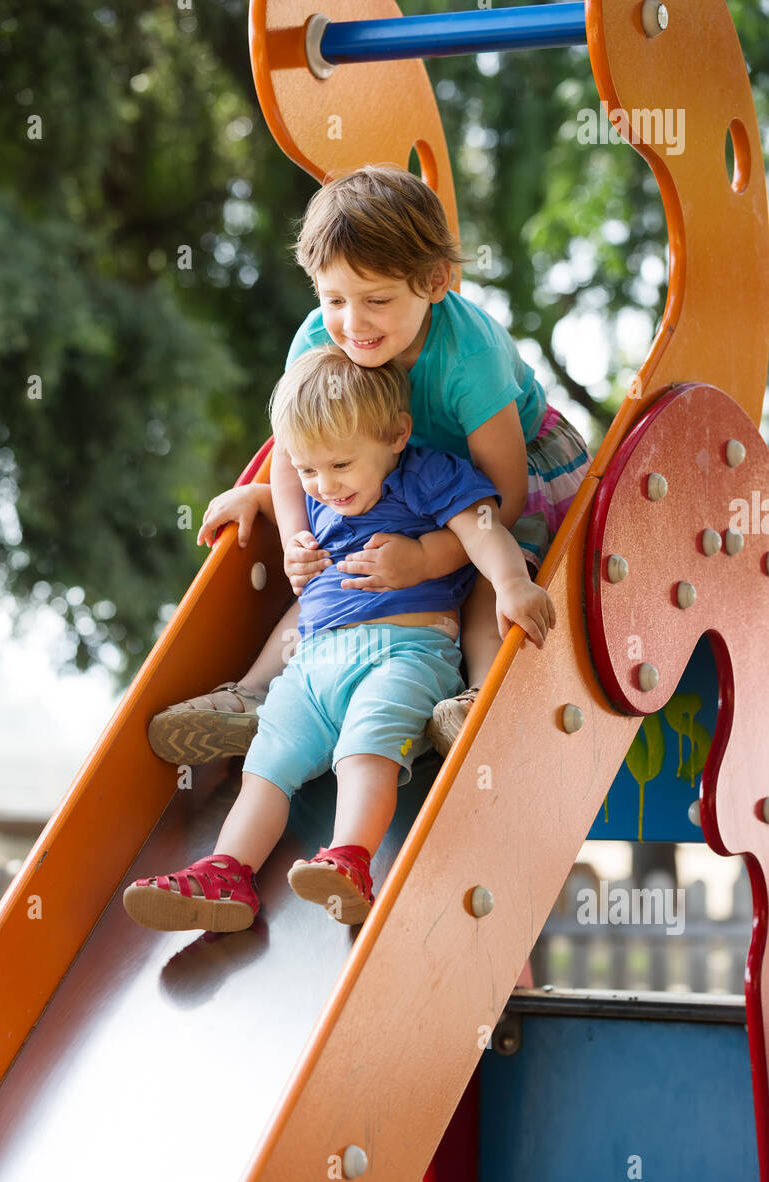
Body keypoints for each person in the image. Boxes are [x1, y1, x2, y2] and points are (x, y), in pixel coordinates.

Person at [147, 165, 590, 766]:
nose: (352, 324)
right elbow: (291, 448)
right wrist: (296, 537)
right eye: (333, 300)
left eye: (377, 300)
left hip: (498, 475)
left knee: (493, 573)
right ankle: (253, 697)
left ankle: (480, 698)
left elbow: (502, 500)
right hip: (387, 468)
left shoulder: (470, 355)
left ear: (434, 282)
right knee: (332, 570)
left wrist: (427, 558)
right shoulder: (317, 340)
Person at [123, 346, 554, 933]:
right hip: (313, 663)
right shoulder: (320, 500)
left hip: (407, 650)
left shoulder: (427, 474)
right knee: (266, 764)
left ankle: (350, 858)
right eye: (307, 471)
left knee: (365, 748)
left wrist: (510, 583)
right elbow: (285, 496)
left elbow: (484, 528)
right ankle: (227, 871)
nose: (323, 485)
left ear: (396, 435)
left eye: (339, 466)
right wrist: (254, 497)